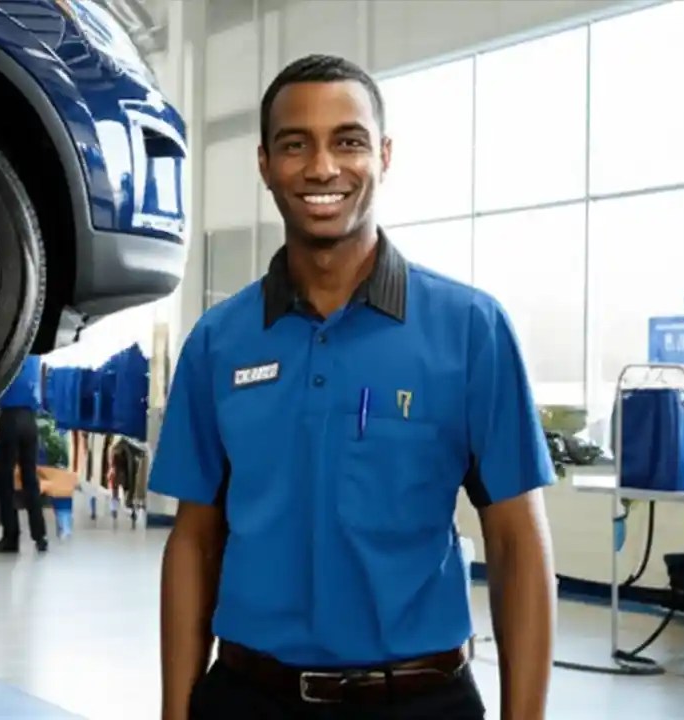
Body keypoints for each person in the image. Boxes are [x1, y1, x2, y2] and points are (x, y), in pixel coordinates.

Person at [152, 54, 556, 720]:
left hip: (420, 701)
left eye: (348, 141)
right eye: (294, 144)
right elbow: (193, 541)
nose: (322, 168)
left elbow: (516, 543)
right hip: (247, 699)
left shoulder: (471, 330)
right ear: (264, 164)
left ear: (384, 155)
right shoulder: (218, 342)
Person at [0, 354, 49, 553]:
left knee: (3, 480)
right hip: (30, 420)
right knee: (30, 478)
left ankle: (11, 538)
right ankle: (40, 536)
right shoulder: (35, 357)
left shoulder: (8, 349)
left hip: (9, 418)